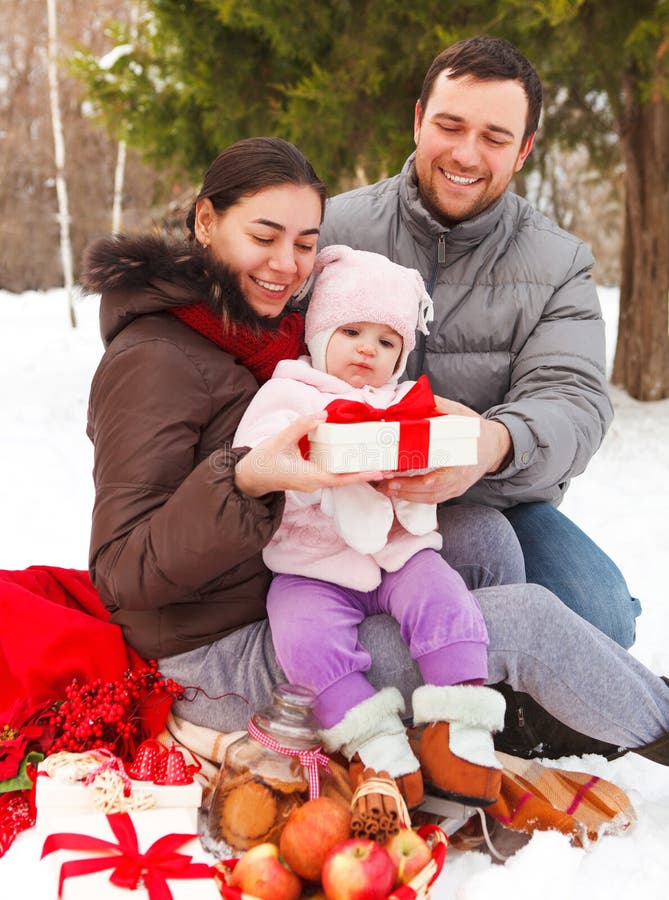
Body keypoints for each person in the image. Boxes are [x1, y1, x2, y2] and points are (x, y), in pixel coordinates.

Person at [80, 136, 669, 786]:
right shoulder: (153, 361)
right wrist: (247, 478)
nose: (286, 264)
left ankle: (465, 735)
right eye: (265, 236)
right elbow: (120, 576)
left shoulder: (260, 327)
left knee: (483, 536)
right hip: (222, 655)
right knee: (526, 620)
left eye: (305, 243)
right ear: (205, 220)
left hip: (279, 578)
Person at [318, 35, 641, 656]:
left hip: (493, 493)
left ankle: (487, 677)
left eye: (494, 137)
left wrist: (494, 443)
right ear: (418, 121)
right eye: (450, 125)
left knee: (600, 621)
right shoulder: (335, 230)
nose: (467, 154)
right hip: (341, 496)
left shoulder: (559, 261)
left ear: (523, 151)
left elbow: (573, 400)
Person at [234, 243, 504, 810]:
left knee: (443, 595)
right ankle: (370, 738)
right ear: (318, 336)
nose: (367, 350)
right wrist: (287, 464)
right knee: (300, 636)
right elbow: (256, 451)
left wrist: (451, 443)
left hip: (396, 550)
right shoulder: (290, 391)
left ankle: (458, 723)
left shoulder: (406, 398)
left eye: (386, 342)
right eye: (351, 331)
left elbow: (452, 436)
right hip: (311, 563)